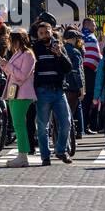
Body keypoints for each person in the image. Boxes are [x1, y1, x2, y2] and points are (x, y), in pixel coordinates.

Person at [31, 21, 74, 165]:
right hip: (42, 91)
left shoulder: (59, 46)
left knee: (66, 123)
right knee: (43, 126)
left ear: (51, 31)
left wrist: (60, 55)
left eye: (47, 32)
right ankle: (45, 156)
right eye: (41, 33)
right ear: (37, 34)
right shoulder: (35, 48)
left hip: (58, 90)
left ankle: (61, 150)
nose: (44, 35)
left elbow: (68, 67)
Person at [0, 30, 35, 167]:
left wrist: (7, 65)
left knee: (19, 124)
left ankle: (23, 155)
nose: (10, 43)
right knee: (18, 124)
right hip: (15, 92)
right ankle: (22, 155)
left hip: (22, 93)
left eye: (12, 40)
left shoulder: (28, 55)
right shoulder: (19, 54)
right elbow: (13, 73)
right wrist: (5, 66)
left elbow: (22, 75)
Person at [80, 18, 102, 132]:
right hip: (88, 71)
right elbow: (94, 55)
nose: (95, 27)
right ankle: (86, 125)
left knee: (87, 100)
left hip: (87, 70)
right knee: (88, 99)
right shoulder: (87, 37)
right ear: (87, 25)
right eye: (93, 25)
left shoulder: (84, 36)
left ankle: (85, 125)